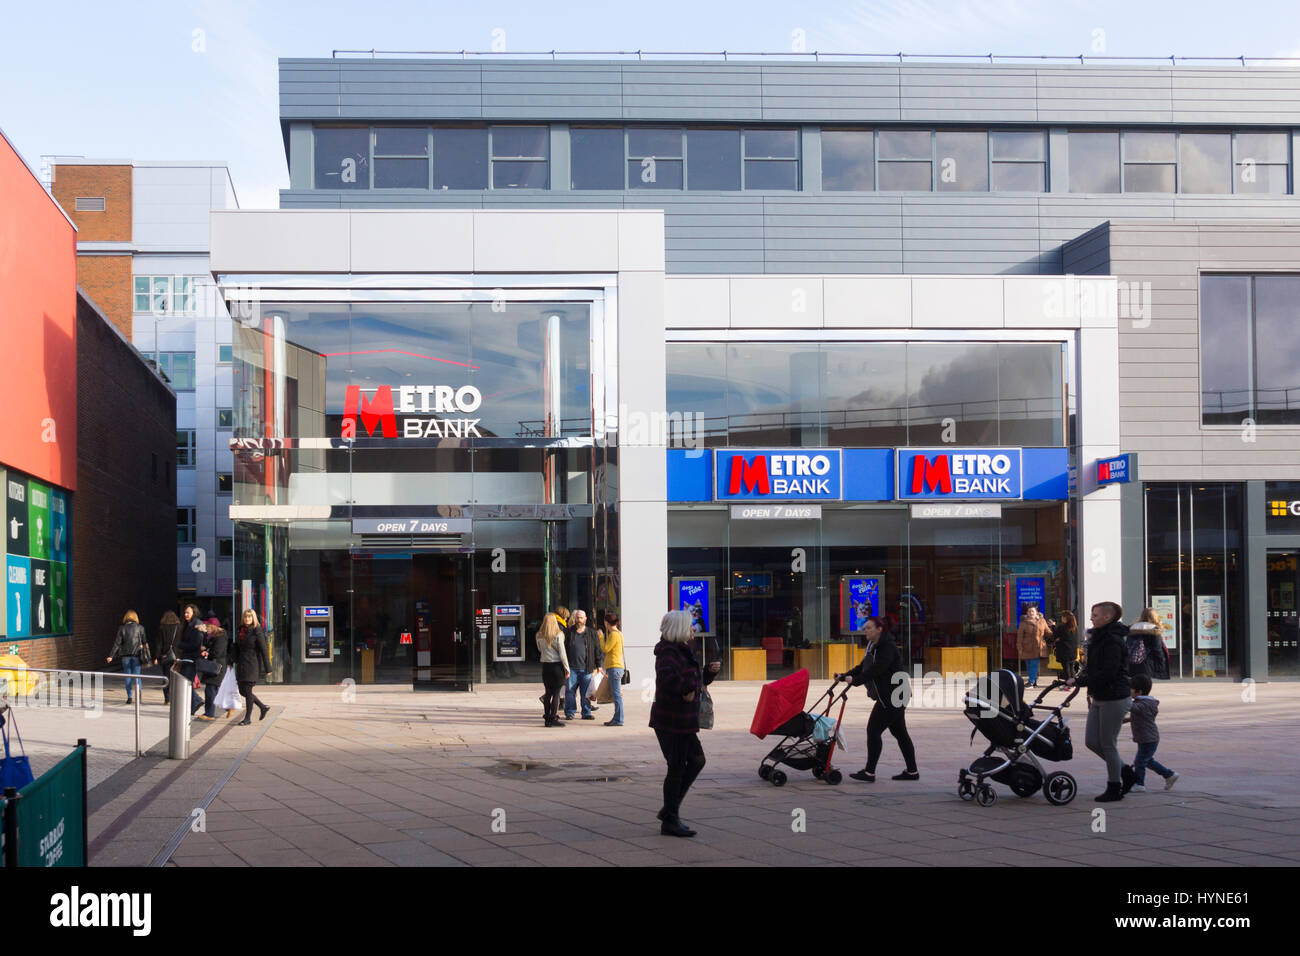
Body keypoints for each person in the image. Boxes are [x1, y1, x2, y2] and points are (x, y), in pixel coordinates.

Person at [835, 616, 918, 782]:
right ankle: (912, 772)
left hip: (894, 696)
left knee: (873, 730)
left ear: (879, 629)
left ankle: (869, 772)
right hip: (892, 695)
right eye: (865, 628)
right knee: (900, 732)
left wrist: (855, 681)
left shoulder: (887, 647)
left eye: (869, 628)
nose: (865, 630)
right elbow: (862, 667)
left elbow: (877, 669)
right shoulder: (873, 646)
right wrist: (845, 676)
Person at [1066, 601, 1131, 802]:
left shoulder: (1112, 640)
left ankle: (1115, 787)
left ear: (1107, 617)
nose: (1092, 618)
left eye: (1095, 615)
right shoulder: (1099, 638)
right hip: (1100, 695)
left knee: (1108, 743)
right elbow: (1094, 668)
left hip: (1115, 696)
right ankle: (1127, 772)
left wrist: (1080, 681)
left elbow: (1108, 672)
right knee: (1092, 741)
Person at [650, 609, 706, 837]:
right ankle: (670, 819)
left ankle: (669, 811)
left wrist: (706, 675)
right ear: (679, 628)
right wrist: (687, 688)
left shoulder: (680, 649)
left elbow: (688, 677)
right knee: (677, 767)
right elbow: (668, 679)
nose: (693, 628)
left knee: (696, 760)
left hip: (682, 719)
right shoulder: (668, 652)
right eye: (690, 625)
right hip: (672, 720)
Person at [1123, 674, 1179, 793]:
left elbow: (1135, 709)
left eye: (1131, 689)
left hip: (1148, 738)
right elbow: (1141, 716)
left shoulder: (1144, 704)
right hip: (1146, 738)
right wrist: (1127, 720)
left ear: (1139, 691)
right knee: (1147, 761)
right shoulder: (1144, 703)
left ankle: (1139, 784)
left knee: (1140, 762)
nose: (1129, 691)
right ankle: (1169, 775)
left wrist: (1123, 699)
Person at [234, 609, 272, 725]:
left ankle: (247, 718)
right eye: (245, 617)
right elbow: (236, 647)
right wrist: (231, 660)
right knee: (242, 690)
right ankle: (262, 706)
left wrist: (268, 668)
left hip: (252, 664)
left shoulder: (257, 630)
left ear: (253, 618)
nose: (247, 619)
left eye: (249, 617)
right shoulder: (241, 630)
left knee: (248, 690)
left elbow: (264, 649)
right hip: (241, 664)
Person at [564, 609, 602, 721]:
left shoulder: (591, 633)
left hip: (587, 668)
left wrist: (599, 665)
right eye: (577, 617)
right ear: (574, 619)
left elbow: (597, 649)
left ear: (585, 619)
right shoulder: (568, 632)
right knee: (570, 692)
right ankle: (570, 712)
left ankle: (586, 712)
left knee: (586, 693)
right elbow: (564, 649)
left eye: (581, 618)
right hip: (571, 668)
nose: (579, 620)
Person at [106, 610, 149, 704]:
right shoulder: (140, 628)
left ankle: (129, 697)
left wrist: (111, 655)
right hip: (137, 656)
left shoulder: (122, 628)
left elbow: (117, 643)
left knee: (127, 676)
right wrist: (147, 653)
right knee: (137, 676)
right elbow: (145, 641)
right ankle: (139, 696)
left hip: (125, 657)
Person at [536, 612, 570, 728]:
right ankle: (553, 717)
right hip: (557, 666)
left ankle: (547, 718)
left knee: (548, 692)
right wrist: (567, 668)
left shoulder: (539, 635)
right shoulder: (558, 635)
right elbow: (562, 653)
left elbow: (540, 649)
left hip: (545, 666)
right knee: (556, 693)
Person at [175, 603, 207, 716]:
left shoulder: (197, 624)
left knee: (186, 683)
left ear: (194, 612)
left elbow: (196, 644)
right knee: (185, 682)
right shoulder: (189, 624)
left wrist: (181, 645)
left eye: (188, 612)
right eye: (185, 612)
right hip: (187, 657)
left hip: (191, 658)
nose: (186, 614)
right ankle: (194, 704)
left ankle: (196, 700)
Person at [197, 619, 229, 721]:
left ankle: (209, 714)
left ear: (214, 626)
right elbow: (209, 647)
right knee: (213, 690)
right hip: (214, 666)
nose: (207, 629)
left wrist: (207, 653)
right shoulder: (213, 636)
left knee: (210, 690)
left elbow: (217, 652)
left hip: (217, 667)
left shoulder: (220, 637)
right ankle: (228, 706)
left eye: (208, 627)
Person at [1128, 607, 1171, 681]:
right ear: (1155, 617)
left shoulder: (1133, 629)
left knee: (1136, 683)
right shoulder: (1154, 630)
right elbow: (1157, 649)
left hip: (1133, 661)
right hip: (1148, 663)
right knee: (1145, 683)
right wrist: (1162, 663)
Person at [599, 611, 625, 726]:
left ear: (606, 622)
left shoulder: (614, 634)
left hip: (614, 667)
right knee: (616, 694)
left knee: (616, 695)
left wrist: (600, 637)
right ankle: (616, 718)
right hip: (616, 667)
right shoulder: (619, 633)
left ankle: (619, 719)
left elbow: (606, 649)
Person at [1017, 605, 1049, 687]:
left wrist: (1055, 629)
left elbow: (1048, 632)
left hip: (1038, 646)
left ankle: (1031, 681)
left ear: (1036, 612)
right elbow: (1019, 636)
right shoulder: (1023, 623)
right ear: (1027, 613)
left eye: (1032, 611)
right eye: (1029, 611)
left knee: (1034, 664)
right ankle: (1033, 680)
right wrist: (1019, 647)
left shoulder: (1042, 621)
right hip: (1027, 646)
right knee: (1028, 665)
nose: (1031, 613)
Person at [155, 610, 183, 704]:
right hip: (177, 656)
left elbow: (159, 644)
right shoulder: (179, 627)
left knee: (166, 677)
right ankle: (175, 698)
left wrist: (157, 656)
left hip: (165, 656)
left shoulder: (162, 628)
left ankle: (167, 699)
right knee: (176, 677)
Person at [1045, 610, 1080, 681]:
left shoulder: (1063, 627)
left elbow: (1055, 636)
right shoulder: (1075, 627)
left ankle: (1068, 684)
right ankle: (1073, 683)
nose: (1061, 618)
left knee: (1066, 668)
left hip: (1064, 651)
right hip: (1073, 651)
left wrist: (1053, 626)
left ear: (1066, 618)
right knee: (1071, 668)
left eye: (1062, 617)